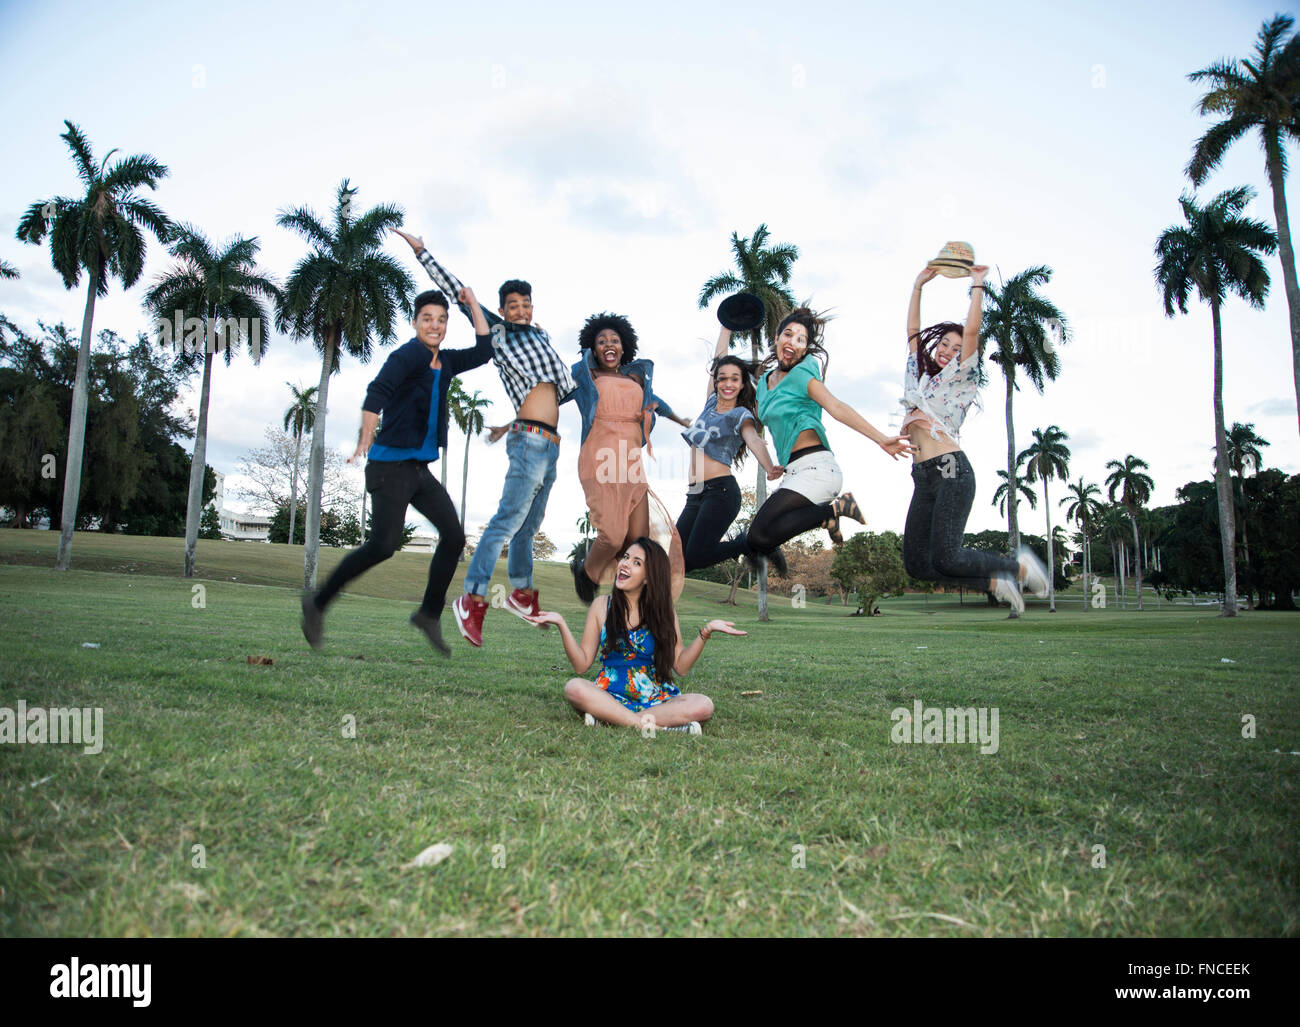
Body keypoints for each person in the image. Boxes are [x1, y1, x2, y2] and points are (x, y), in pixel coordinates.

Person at [391, 229, 578, 649]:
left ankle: (522, 594)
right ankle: (472, 600)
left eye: (526, 304)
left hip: (549, 443)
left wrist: (505, 425)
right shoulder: (499, 334)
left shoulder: (541, 336)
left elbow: (547, 393)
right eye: (513, 305)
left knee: (529, 527)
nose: (521, 310)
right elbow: (458, 293)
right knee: (506, 523)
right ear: (501, 310)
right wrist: (422, 251)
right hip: (531, 441)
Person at [301, 286, 493, 654]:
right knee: (383, 546)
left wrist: (473, 307)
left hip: (418, 470)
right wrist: (365, 438)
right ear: (415, 323)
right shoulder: (407, 356)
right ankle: (318, 602)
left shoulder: (447, 361)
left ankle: (428, 614)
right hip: (390, 466)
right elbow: (377, 392)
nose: (434, 325)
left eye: (441, 319)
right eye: (427, 319)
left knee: (453, 538)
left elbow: (485, 351)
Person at [901, 265, 1048, 613]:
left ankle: (1020, 568)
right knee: (919, 563)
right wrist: (919, 284)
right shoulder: (915, 374)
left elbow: (972, 331)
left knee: (949, 554)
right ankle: (996, 582)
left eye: (955, 347)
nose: (948, 350)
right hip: (923, 477)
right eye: (944, 344)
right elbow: (912, 331)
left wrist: (977, 283)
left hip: (951, 468)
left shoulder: (962, 376)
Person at [742, 308, 913, 563]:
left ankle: (832, 511)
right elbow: (758, 425)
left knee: (757, 535)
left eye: (801, 340)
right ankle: (828, 516)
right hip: (795, 471)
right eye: (788, 334)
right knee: (760, 540)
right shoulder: (765, 383)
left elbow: (836, 407)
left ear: (804, 349)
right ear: (777, 337)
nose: (792, 342)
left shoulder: (802, 375)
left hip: (817, 469)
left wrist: (880, 438)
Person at [528, 537, 743, 732]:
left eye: (637, 563)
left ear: (648, 578)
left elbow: (681, 666)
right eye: (626, 557)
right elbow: (582, 665)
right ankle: (654, 727)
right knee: (574, 688)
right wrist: (561, 624)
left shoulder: (664, 611)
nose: (625, 564)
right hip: (609, 695)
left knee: (704, 705)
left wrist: (706, 632)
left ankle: (611, 719)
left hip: (656, 699)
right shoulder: (602, 606)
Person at [566, 312, 690, 603]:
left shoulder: (635, 377)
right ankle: (587, 572)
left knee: (637, 543)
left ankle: (627, 607)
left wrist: (682, 420)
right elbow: (553, 392)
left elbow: (656, 403)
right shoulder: (586, 377)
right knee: (612, 534)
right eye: (601, 341)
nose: (609, 345)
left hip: (631, 462)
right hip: (600, 457)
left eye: (615, 340)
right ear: (593, 349)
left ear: (624, 347)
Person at [676, 325, 784, 571]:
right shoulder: (711, 402)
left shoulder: (741, 414)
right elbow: (718, 361)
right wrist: (726, 326)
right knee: (677, 559)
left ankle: (751, 543)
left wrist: (768, 466)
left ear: (743, 383)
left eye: (734, 379)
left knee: (694, 557)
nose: (727, 383)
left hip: (720, 493)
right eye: (722, 378)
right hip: (695, 494)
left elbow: (753, 438)